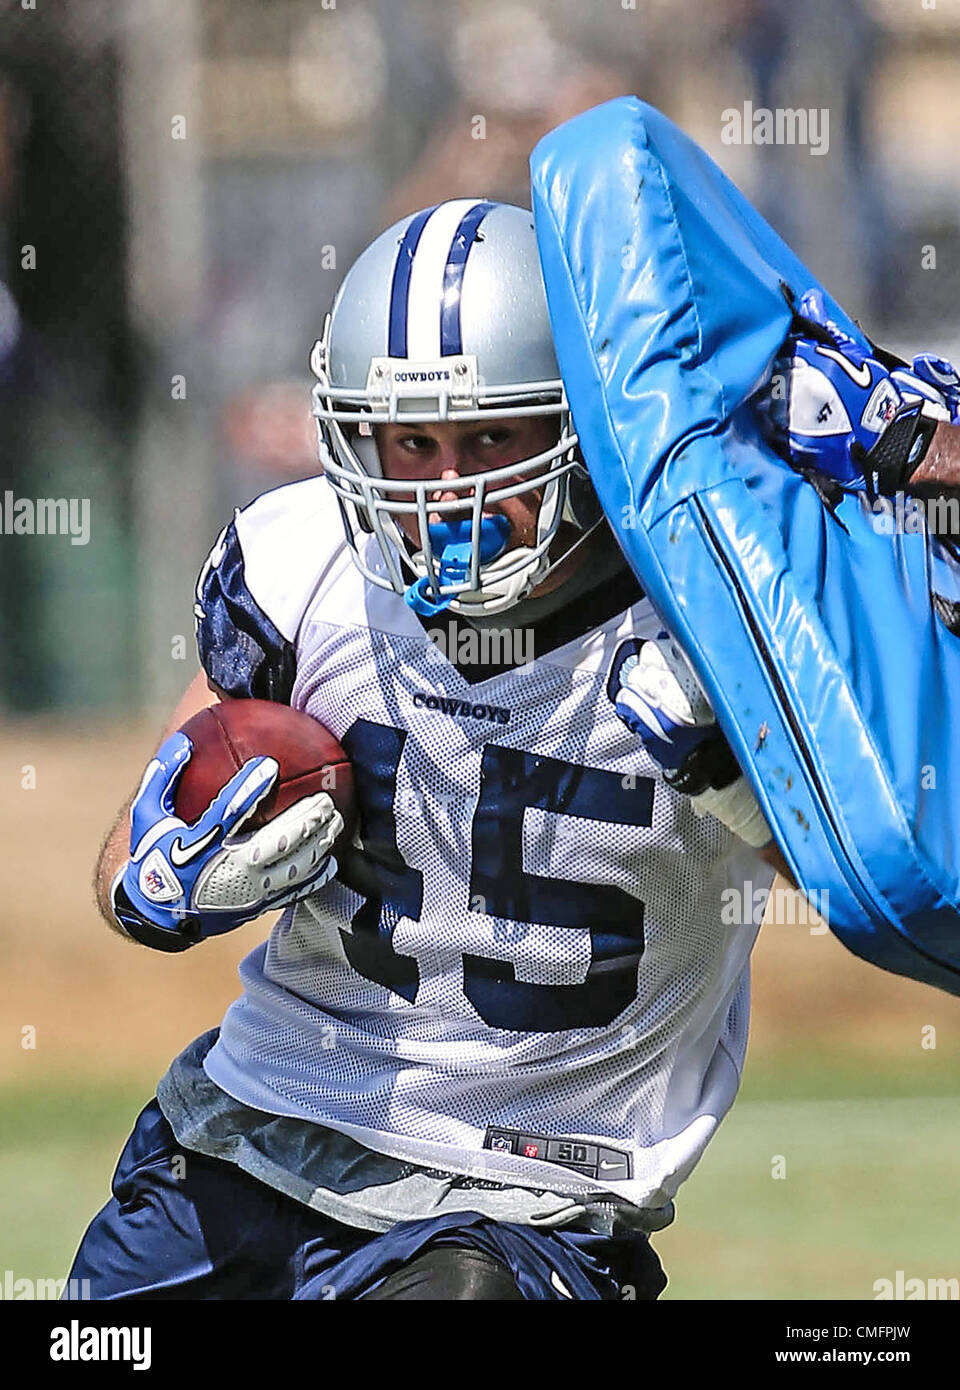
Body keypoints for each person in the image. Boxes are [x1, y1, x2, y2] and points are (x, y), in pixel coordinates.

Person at [68, 199, 786, 1302]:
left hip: (519, 1199)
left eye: (491, 438)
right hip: (253, 1132)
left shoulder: (711, 610)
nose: (446, 491)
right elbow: (138, 835)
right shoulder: (299, 567)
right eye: (412, 442)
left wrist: (735, 776)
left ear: (579, 425)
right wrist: (155, 881)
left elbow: (901, 885)